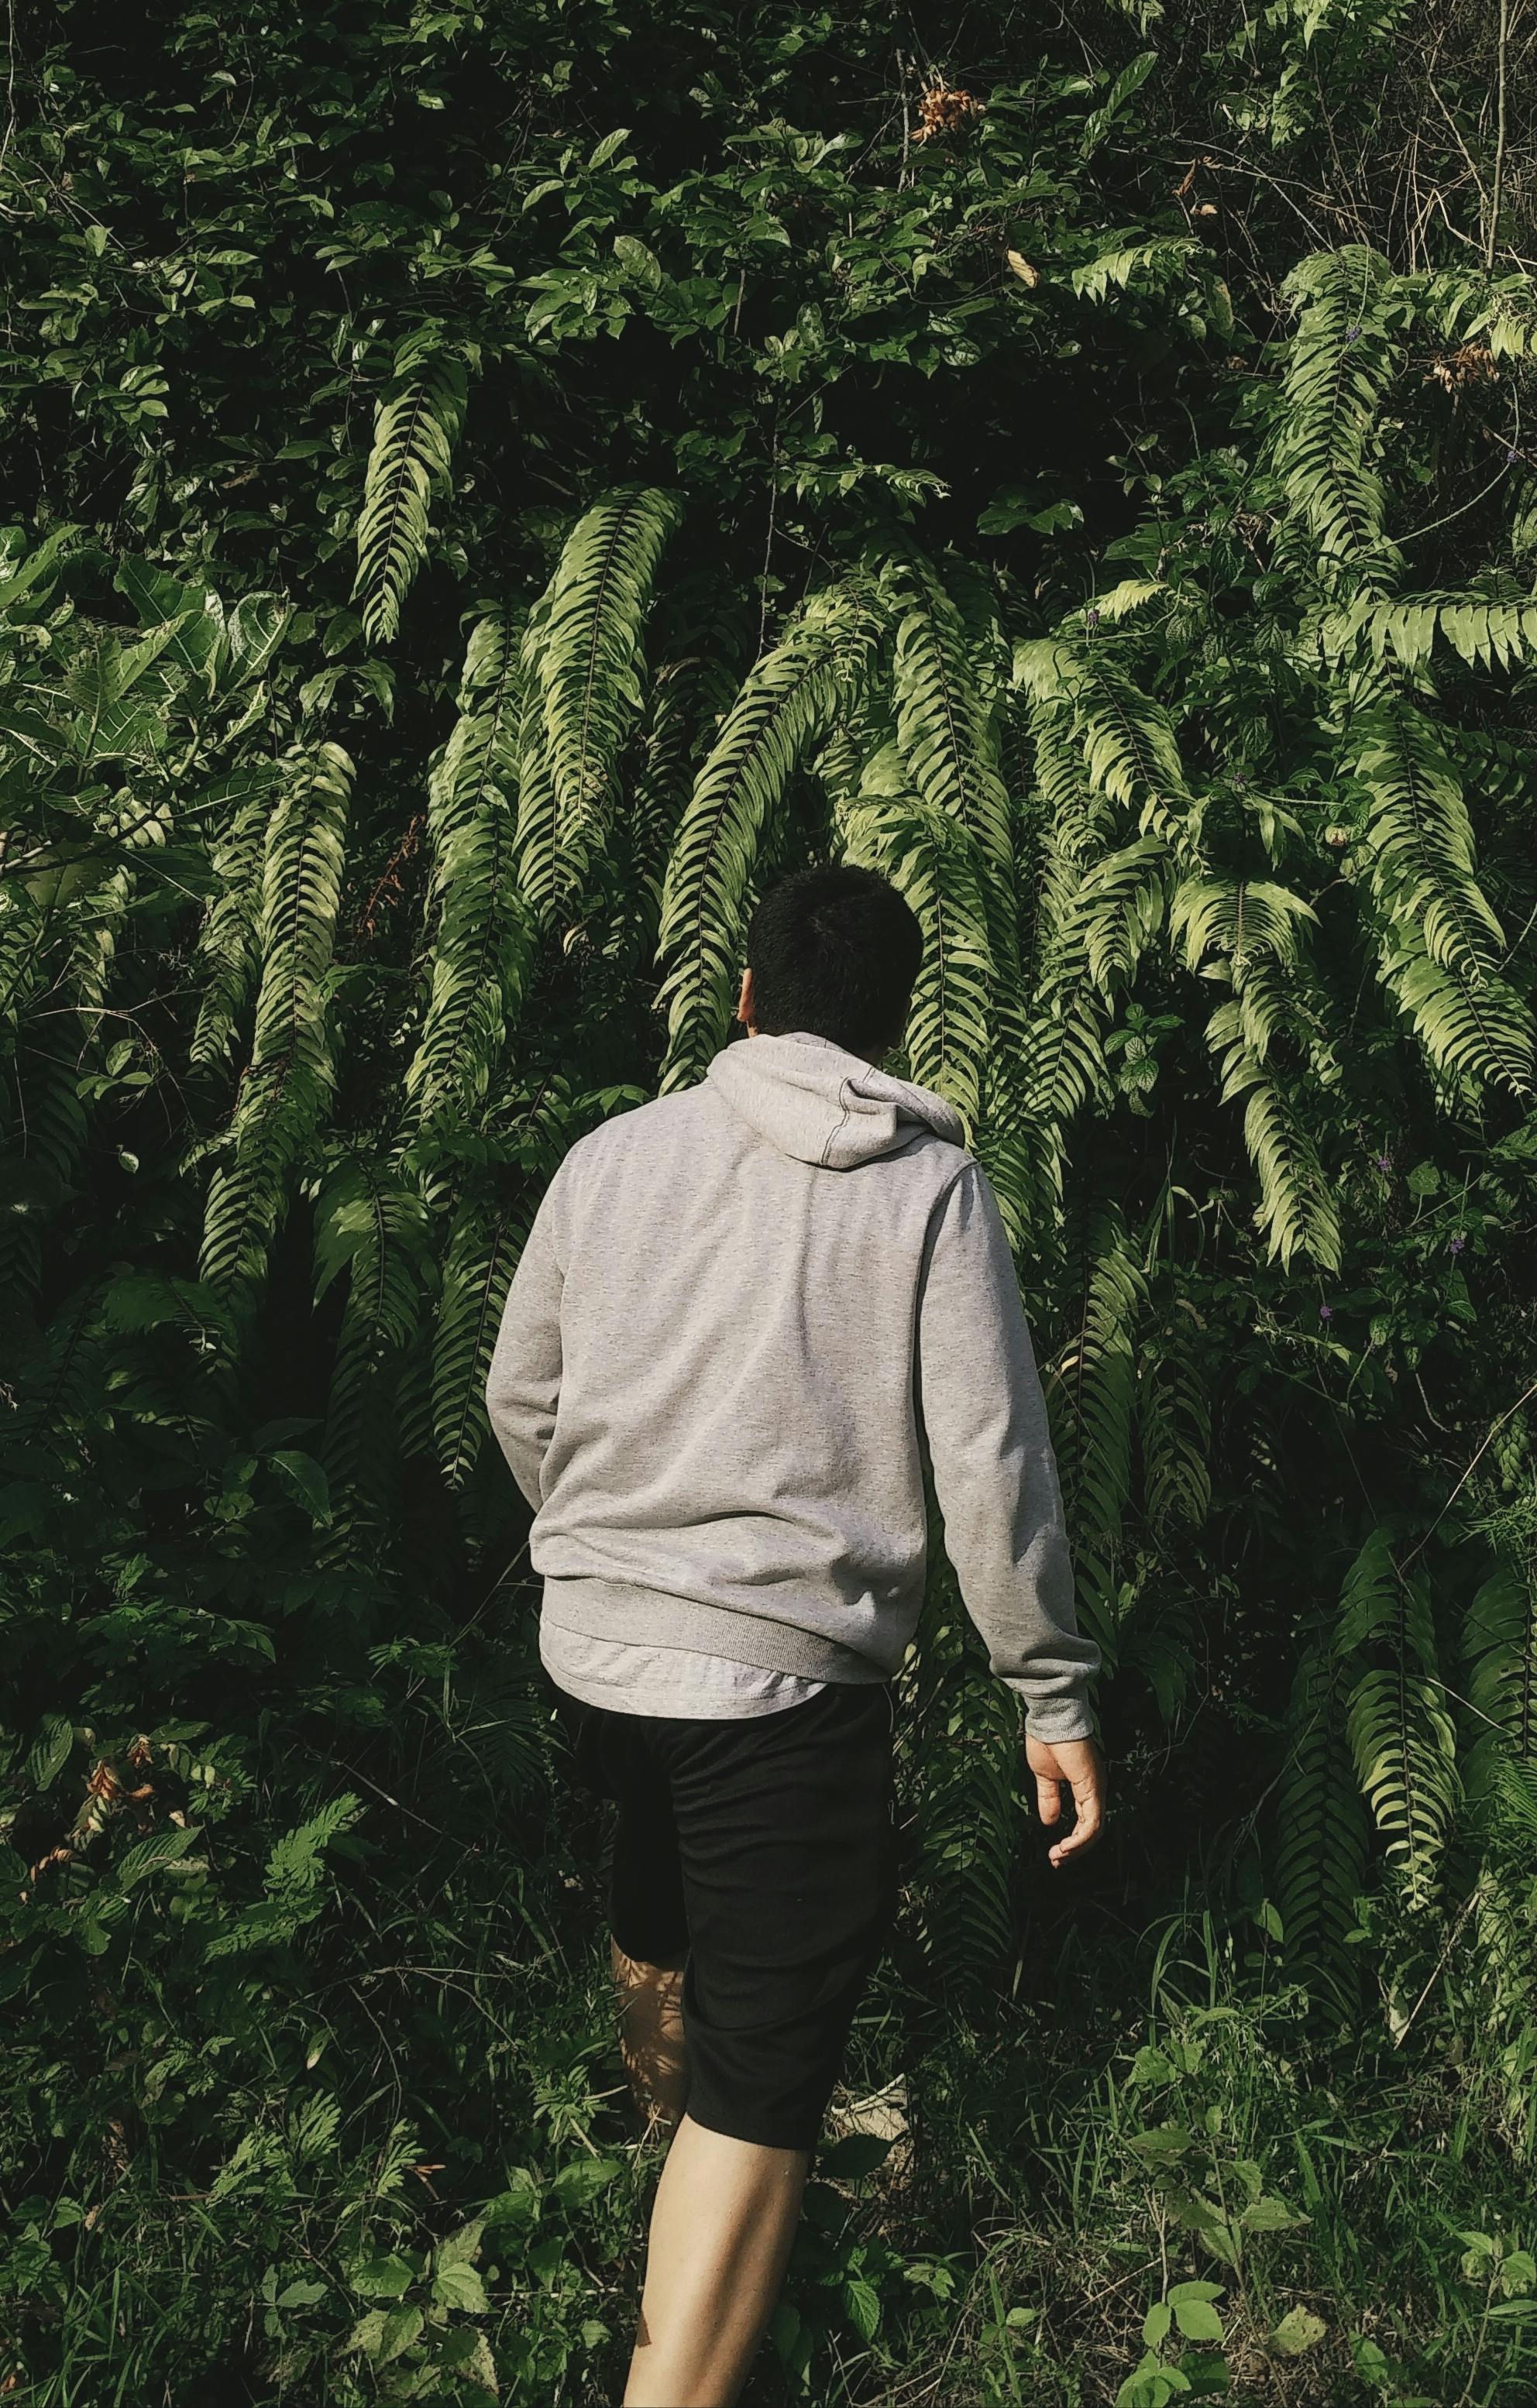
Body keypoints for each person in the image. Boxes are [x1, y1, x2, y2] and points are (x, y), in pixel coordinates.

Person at [486, 862, 1105, 2408]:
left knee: (660, 1879)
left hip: (600, 1651)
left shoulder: (612, 1160)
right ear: (892, 1030)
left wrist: (606, 1547)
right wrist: (1048, 1685)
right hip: (778, 1676)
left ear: (746, 997)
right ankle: (695, 2272)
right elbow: (990, 1465)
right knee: (768, 2084)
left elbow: (518, 1395)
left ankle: (661, 2160)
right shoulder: (925, 1191)